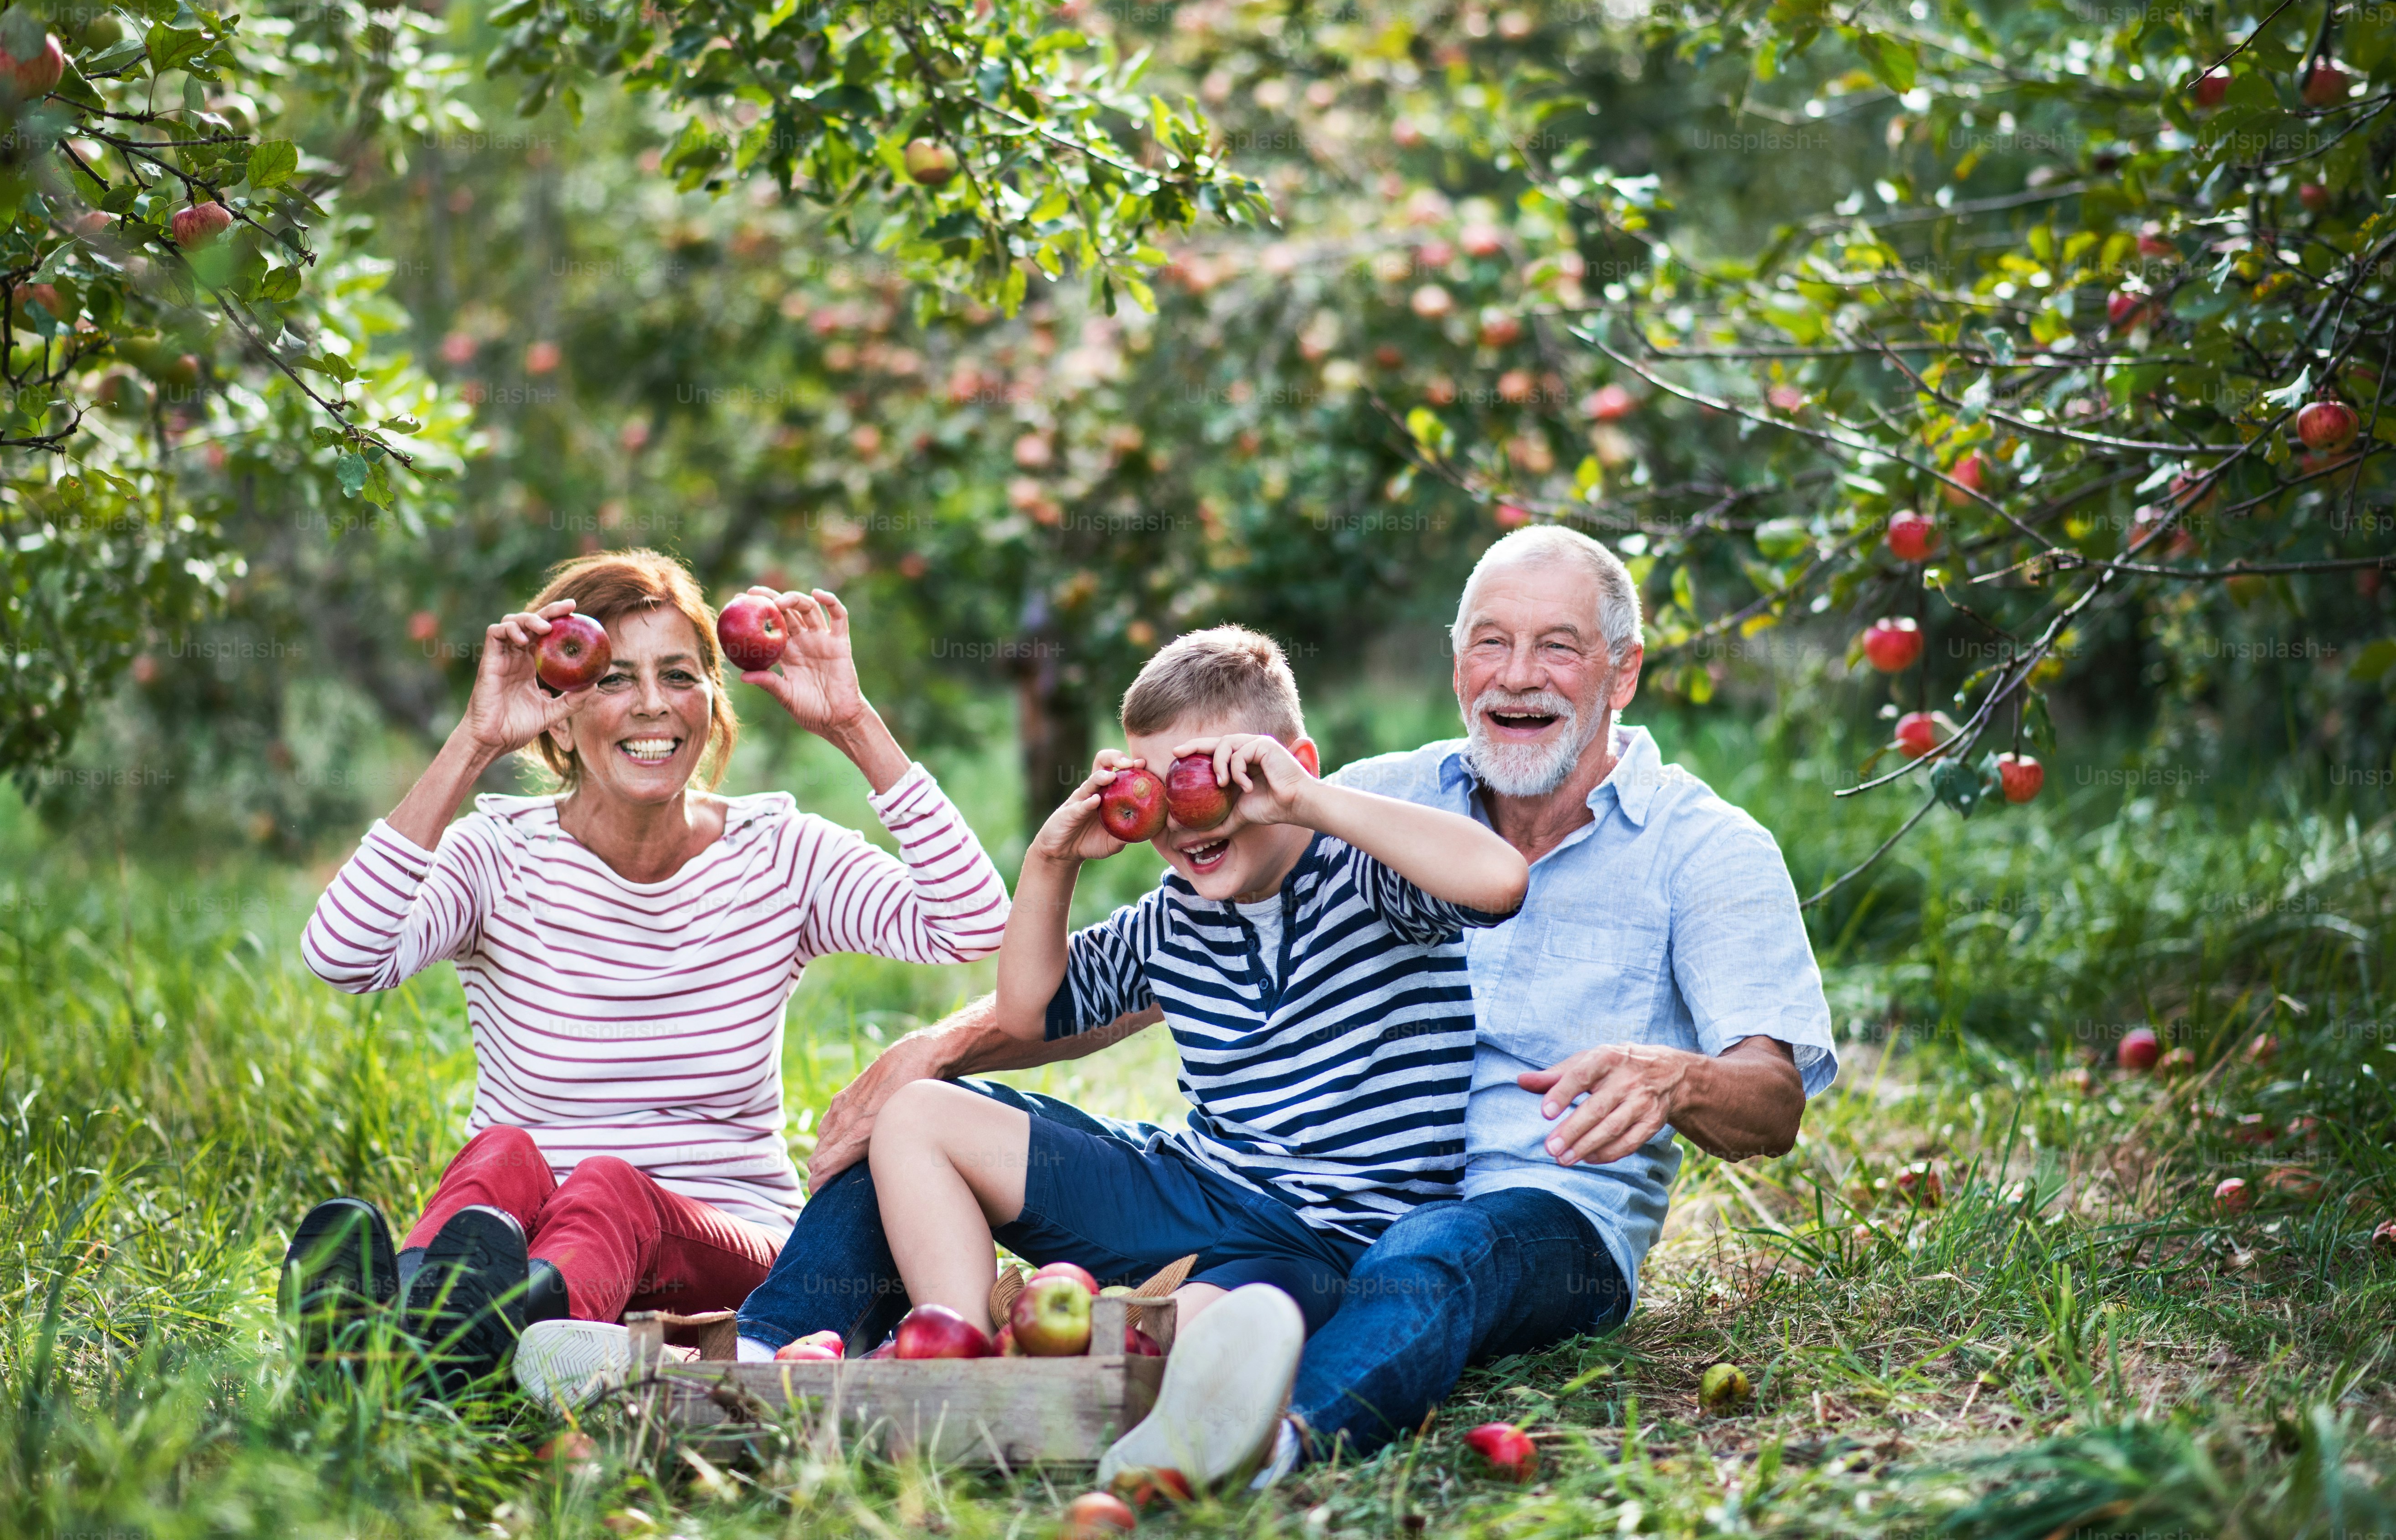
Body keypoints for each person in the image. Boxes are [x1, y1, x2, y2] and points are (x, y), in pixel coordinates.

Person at [731, 525, 1836, 1479]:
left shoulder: (1689, 848)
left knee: (1396, 1262)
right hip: (1237, 1187)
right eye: (1491, 641)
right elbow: (1070, 991)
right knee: (916, 1117)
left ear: (1623, 671)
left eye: (1559, 644)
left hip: (1509, 1208)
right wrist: (934, 1047)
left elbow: (1767, 1097)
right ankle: (775, 1356)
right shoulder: (1358, 804)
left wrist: (1672, 1073)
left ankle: (1270, 1433)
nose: (1518, 673)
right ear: (1456, 663)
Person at [280, 550, 1009, 1388]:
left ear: (712, 702)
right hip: (529, 1234)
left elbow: (973, 924)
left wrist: (853, 725)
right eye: (614, 679)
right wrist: (473, 742)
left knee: (607, 1186)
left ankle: (446, 1345)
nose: (653, 705)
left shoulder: (778, 855)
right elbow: (341, 956)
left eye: (680, 675)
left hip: (730, 1246)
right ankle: (407, 1333)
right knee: (504, 1153)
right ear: (555, 712)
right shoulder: (498, 857)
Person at [866, 626, 1531, 1487]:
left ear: (1290, 765)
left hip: (1321, 1243)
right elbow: (1029, 1011)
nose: (1185, 816)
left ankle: (1136, 1400)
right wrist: (1052, 856)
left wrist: (1308, 801)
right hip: (1197, 1189)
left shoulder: (1368, 877)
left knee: (1201, 1325)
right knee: (919, 1113)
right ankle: (953, 1355)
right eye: (1160, 787)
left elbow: (1499, 881)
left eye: (1214, 779)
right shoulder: (1169, 920)